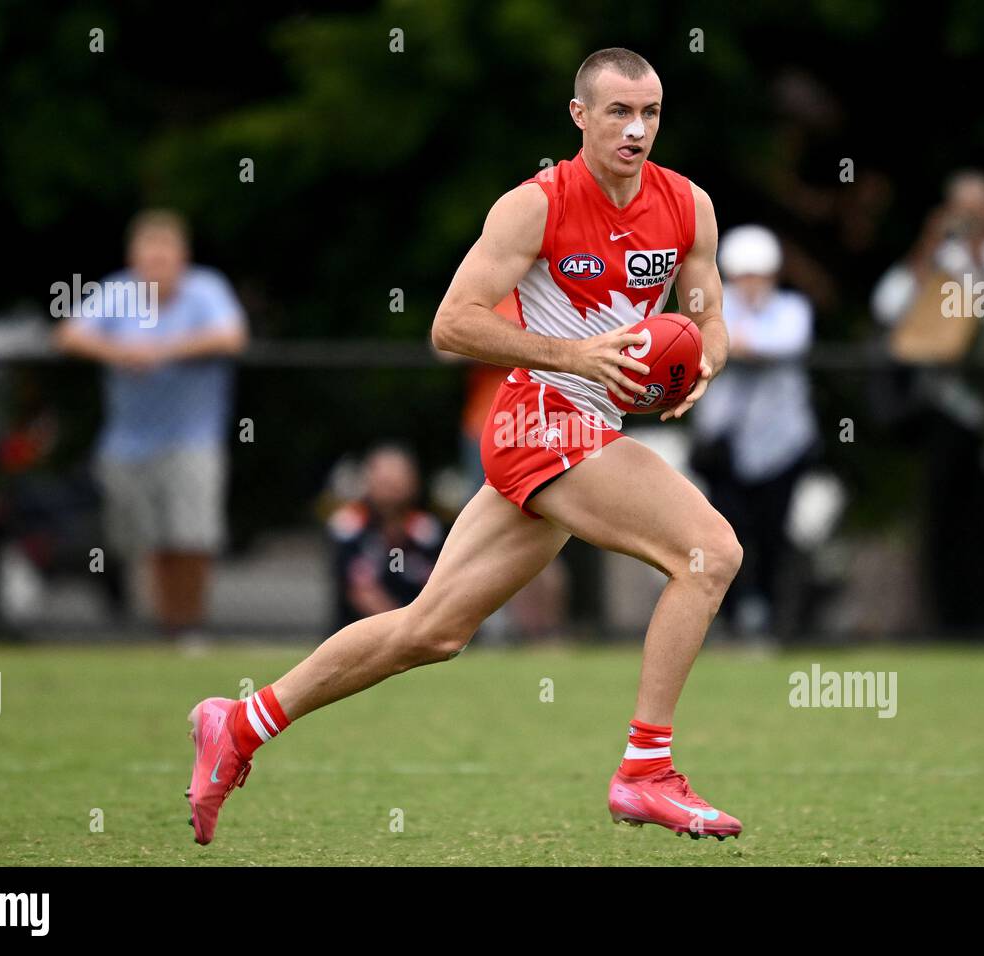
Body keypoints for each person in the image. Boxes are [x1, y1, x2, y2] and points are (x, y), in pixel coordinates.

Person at [183, 47, 744, 844]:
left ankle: (240, 722)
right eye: (618, 111)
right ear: (579, 116)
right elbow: (451, 324)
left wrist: (703, 366)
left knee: (431, 632)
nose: (636, 128)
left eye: (650, 112)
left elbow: (709, 317)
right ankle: (645, 772)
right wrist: (576, 356)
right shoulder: (535, 204)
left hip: (585, 429)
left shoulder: (689, 206)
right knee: (708, 555)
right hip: (540, 415)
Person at [56, 210, 248, 638]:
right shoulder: (117, 290)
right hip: (128, 443)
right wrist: (119, 353)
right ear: (134, 258)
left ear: (182, 257)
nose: (157, 264)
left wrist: (162, 350)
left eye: (165, 254)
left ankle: (192, 627)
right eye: (149, 255)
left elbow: (231, 336)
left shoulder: (206, 288)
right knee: (154, 543)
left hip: (193, 438)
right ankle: (168, 629)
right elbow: (69, 335)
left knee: (193, 538)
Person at [871, 170, 984, 635]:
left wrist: (980, 262)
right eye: (960, 209)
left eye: (978, 209)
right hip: (944, 411)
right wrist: (929, 247)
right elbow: (888, 308)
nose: (969, 219)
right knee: (941, 518)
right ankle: (943, 624)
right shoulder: (936, 261)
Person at [691, 225, 817, 636]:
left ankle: (771, 618)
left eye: (757, 275)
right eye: (742, 275)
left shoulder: (792, 309)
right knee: (725, 531)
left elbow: (780, 342)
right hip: (725, 446)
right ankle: (726, 619)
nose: (750, 284)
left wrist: (737, 342)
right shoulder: (716, 309)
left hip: (781, 445)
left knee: (772, 531)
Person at [327, 444, 443, 631]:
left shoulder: (427, 530)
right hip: (358, 633)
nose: (391, 491)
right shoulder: (349, 525)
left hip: (419, 633)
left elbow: (437, 586)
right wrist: (401, 630)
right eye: (385, 483)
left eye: (397, 483)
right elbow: (360, 591)